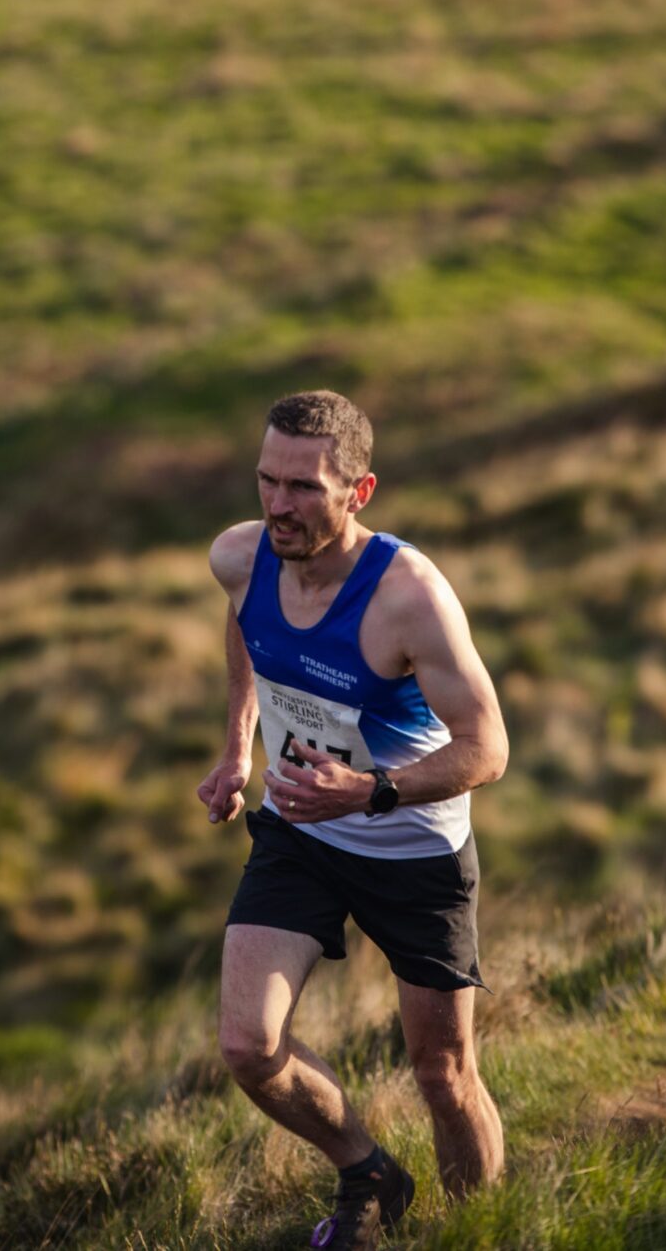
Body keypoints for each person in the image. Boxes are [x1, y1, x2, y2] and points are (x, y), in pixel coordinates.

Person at [196, 390, 509, 1250]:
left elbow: (488, 749)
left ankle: (480, 1231)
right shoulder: (241, 556)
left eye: (302, 487)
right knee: (247, 1045)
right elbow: (245, 626)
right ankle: (368, 1168)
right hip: (299, 830)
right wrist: (238, 748)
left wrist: (367, 789)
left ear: (358, 490)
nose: (277, 505)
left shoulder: (409, 597)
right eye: (267, 480)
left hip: (414, 847)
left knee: (443, 1073)